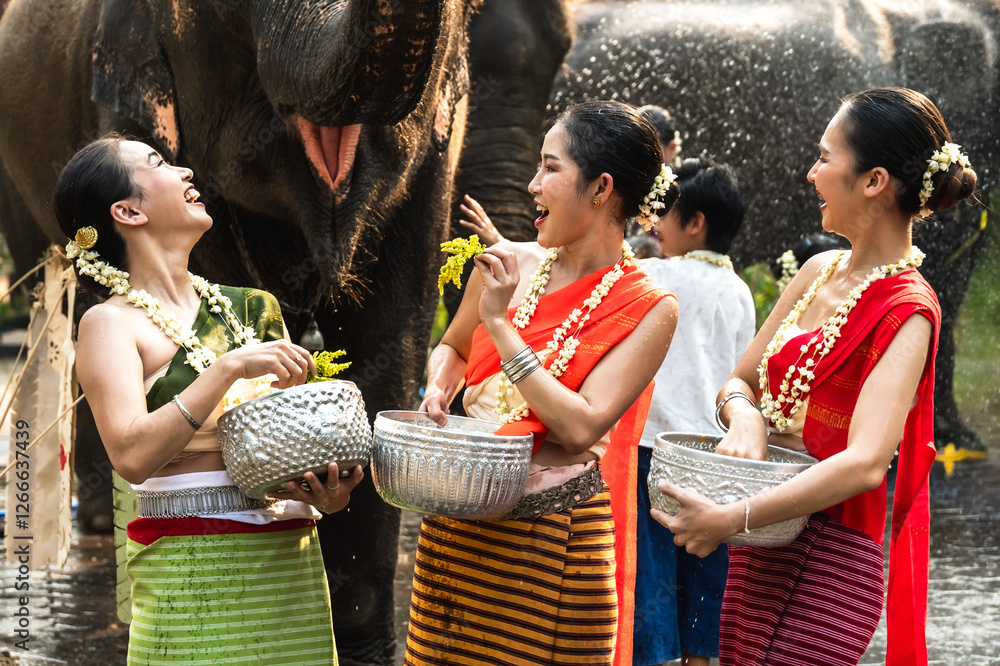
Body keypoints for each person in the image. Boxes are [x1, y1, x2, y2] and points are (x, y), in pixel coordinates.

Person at [654, 87, 977, 665]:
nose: (811, 173)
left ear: (874, 181)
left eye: (825, 158)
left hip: (826, 556)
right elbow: (737, 381)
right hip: (756, 542)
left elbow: (865, 461)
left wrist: (733, 516)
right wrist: (747, 418)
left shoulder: (908, 308)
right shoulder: (816, 271)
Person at [56, 136, 364, 665]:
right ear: (127, 211)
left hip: (288, 569)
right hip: (192, 576)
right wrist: (227, 369)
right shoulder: (108, 324)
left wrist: (327, 494)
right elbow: (131, 456)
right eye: (158, 163)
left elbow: (294, 448)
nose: (185, 170)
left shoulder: (253, 310)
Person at [406, 100, 680, 666]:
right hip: (458, 517)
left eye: (550, 168)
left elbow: (579, 426)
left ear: (601, 188)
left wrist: (502, 326)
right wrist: (438, 387)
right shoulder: (510, 263)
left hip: (552, 537)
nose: (533, 185)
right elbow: (454, 348)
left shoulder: (651, 306)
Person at [633, 157, 755, 666]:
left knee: (652, 574)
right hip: (715, 455)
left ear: (696, 223)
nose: (653, 224)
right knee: (705, 578)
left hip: (655, 450)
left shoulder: (654, 274)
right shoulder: (741, 291)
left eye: (664, 213)